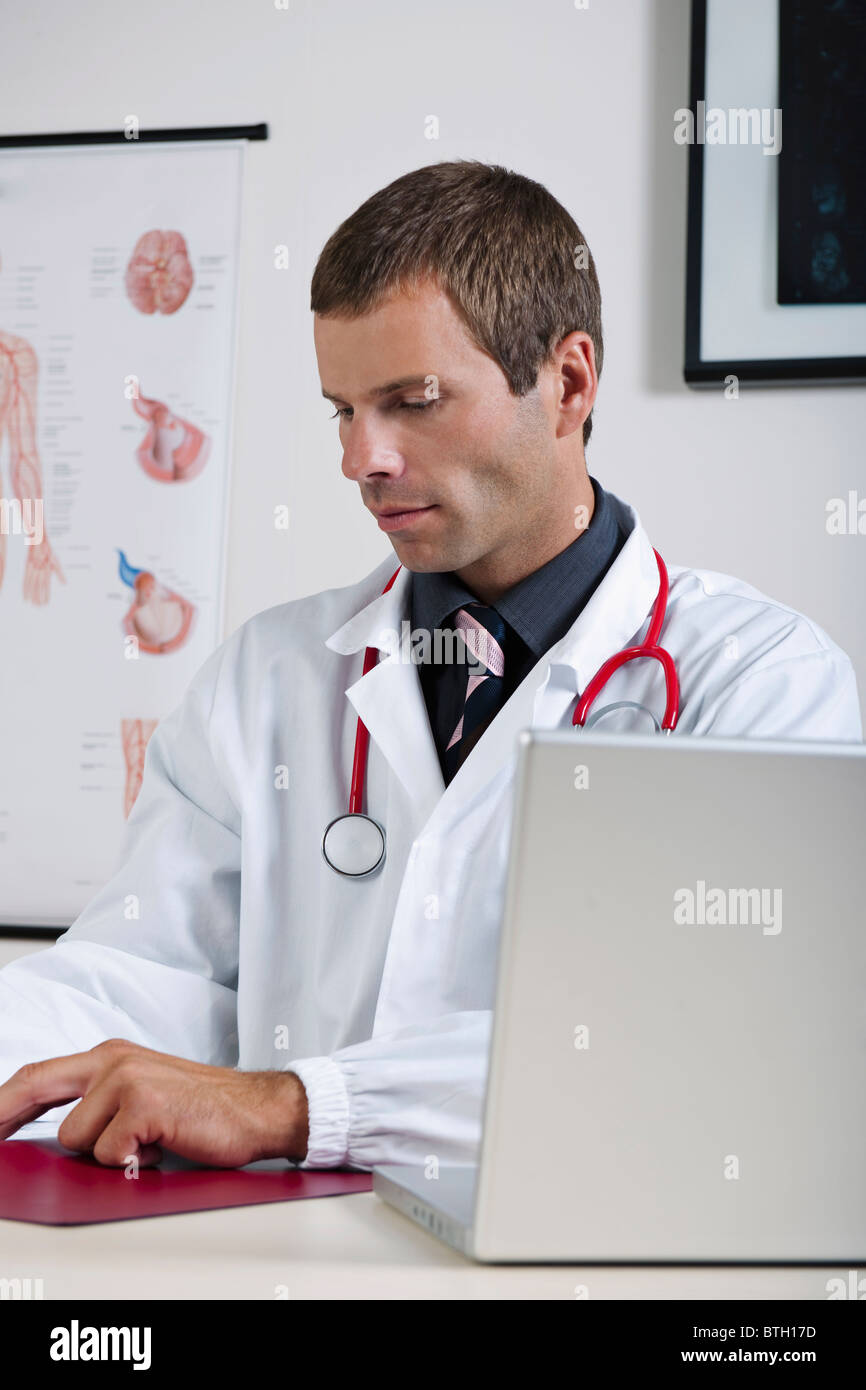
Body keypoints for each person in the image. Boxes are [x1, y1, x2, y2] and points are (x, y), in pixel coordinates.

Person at [0, 161, 859, 1171]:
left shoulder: (756, 682)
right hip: (280, 1262)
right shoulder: (268, 677)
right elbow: (134, 976)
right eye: (342, 410)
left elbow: (713, 1042)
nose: (360, 458)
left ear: (566, 383)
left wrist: (297, 1106)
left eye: (412, 401)